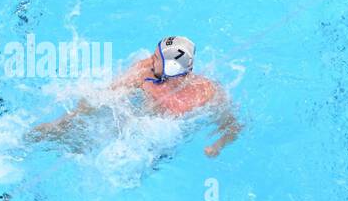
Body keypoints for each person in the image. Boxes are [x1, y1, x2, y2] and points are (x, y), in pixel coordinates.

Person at [30, 35, 241, 158]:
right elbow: (102, 96)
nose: (150, 58)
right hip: (130, 115)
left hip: (156, 138)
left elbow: (233, 124)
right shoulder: (143, 71)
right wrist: (70, 118)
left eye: (156, 57)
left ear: (171, 68)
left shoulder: (206, 93)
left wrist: (218, 146)